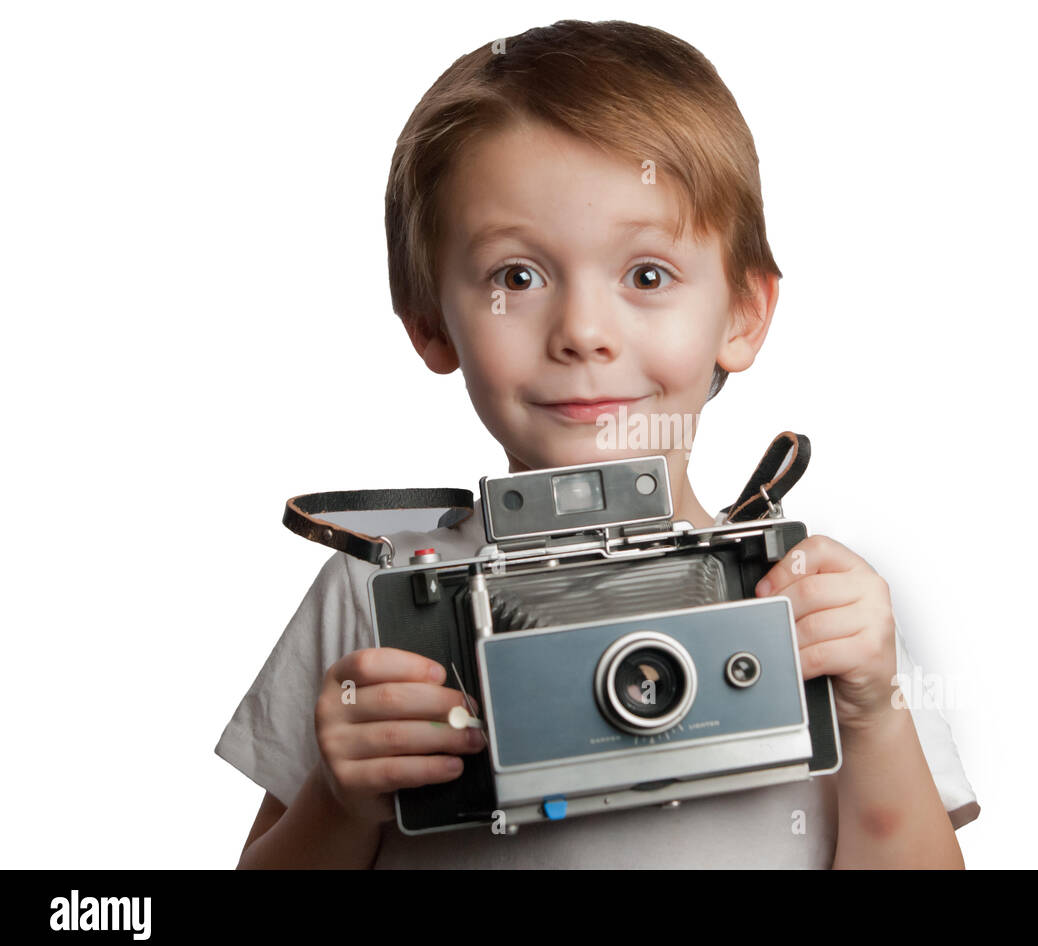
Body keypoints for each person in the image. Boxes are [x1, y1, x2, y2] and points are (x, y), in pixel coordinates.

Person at [216, 19, 980, 869]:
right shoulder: (381, 592)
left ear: (742, 314)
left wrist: (871, 713)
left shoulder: (811, 600)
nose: (583, 332)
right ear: (431, 322)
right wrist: (340, 798)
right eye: (518, 278)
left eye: (646, 276)